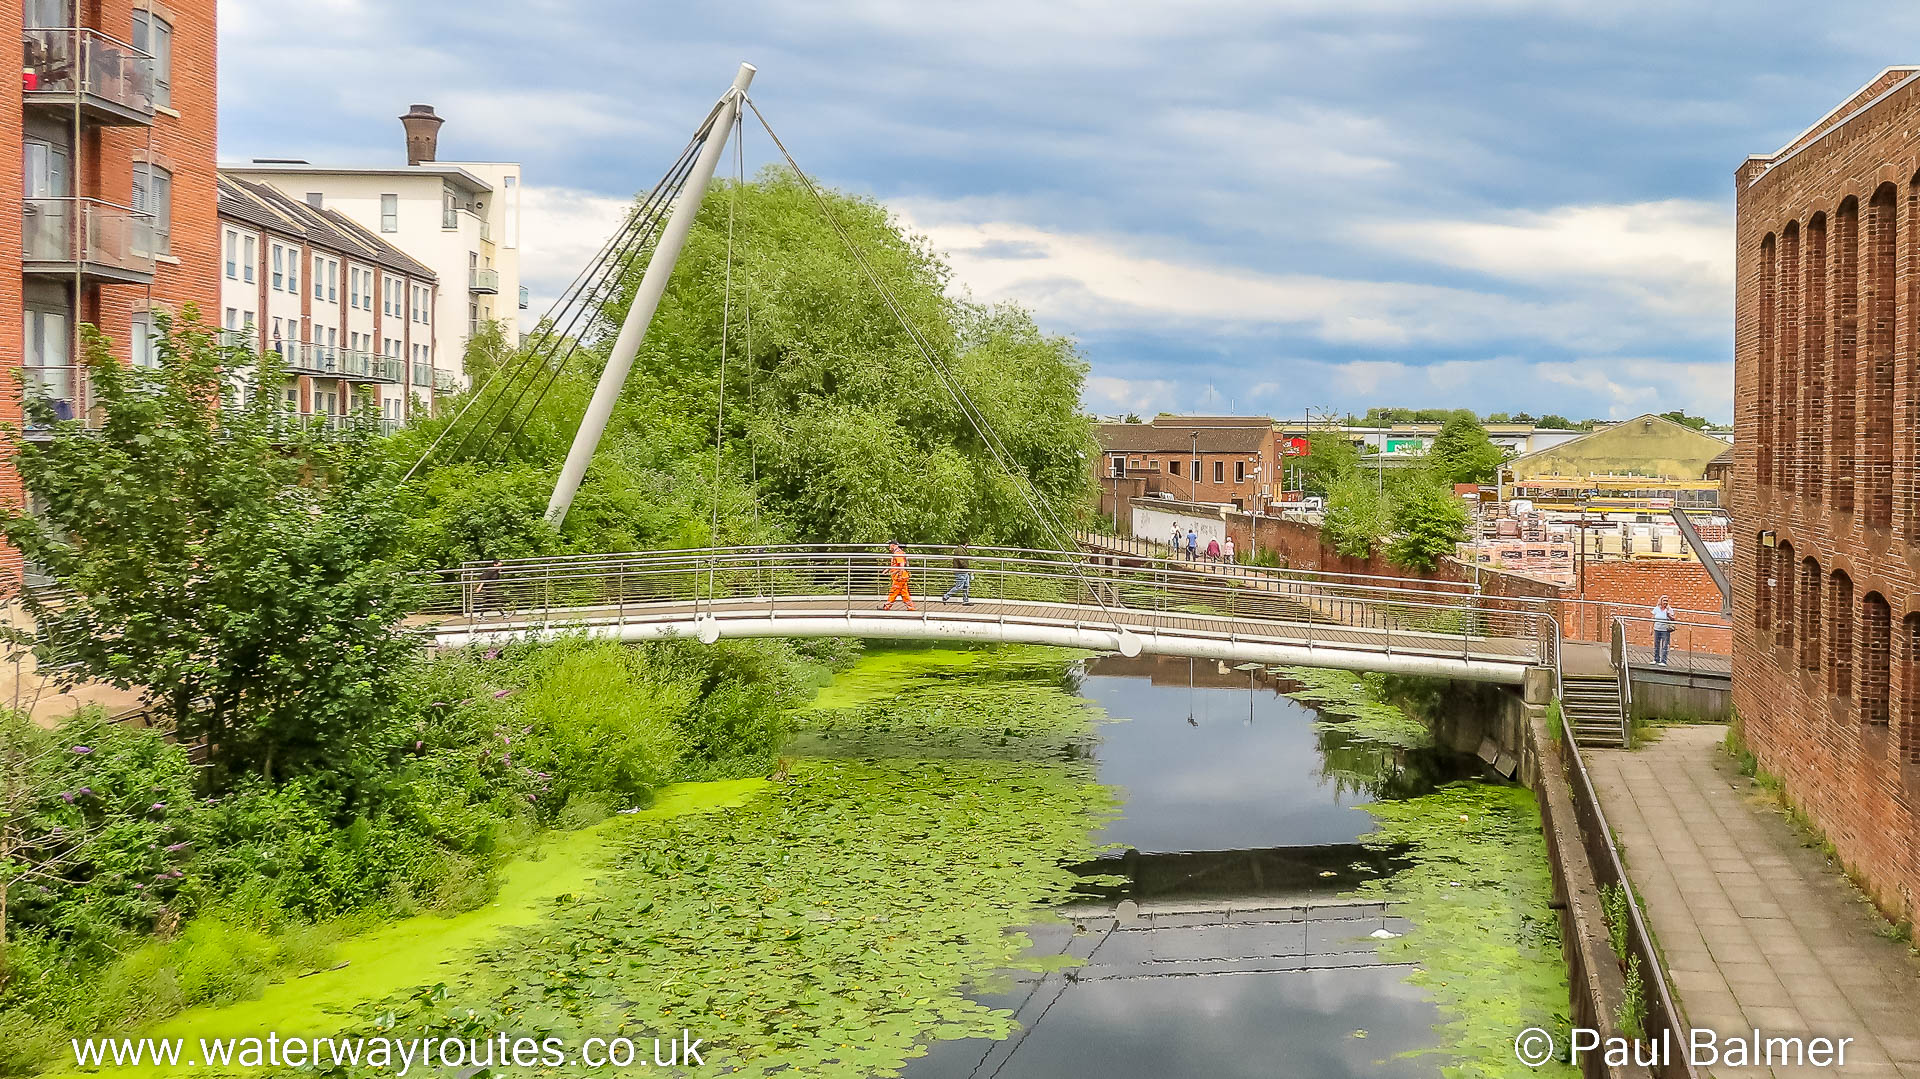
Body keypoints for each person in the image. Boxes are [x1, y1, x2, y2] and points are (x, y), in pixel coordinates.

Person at [879, 541, 915, 610]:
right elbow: (895, 564)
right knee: (905, 593)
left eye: (890, 545)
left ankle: (886, 607)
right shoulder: (899, 552)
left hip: (899, 577)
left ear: (893, 545)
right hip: (903, 576)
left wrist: (899, 575)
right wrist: (887, 569)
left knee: (893, 592)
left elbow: (901, 564)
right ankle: (911, 607)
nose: (889, 547)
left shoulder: (897, 553)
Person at [1651, 595, 1675, 666]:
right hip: (1657, 628)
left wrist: (1668, 614)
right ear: (1661, 601)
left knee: (1664, 645)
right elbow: (1652, 619)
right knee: (1656, 645)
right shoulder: (1656, 609)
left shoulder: (1669, 609)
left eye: (1667, 601)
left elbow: (1673, 619)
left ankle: (1663, 661)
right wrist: (1651, 628)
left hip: (1665, 630)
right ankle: (1656, 659)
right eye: (1664, 600)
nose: (1665, 602)